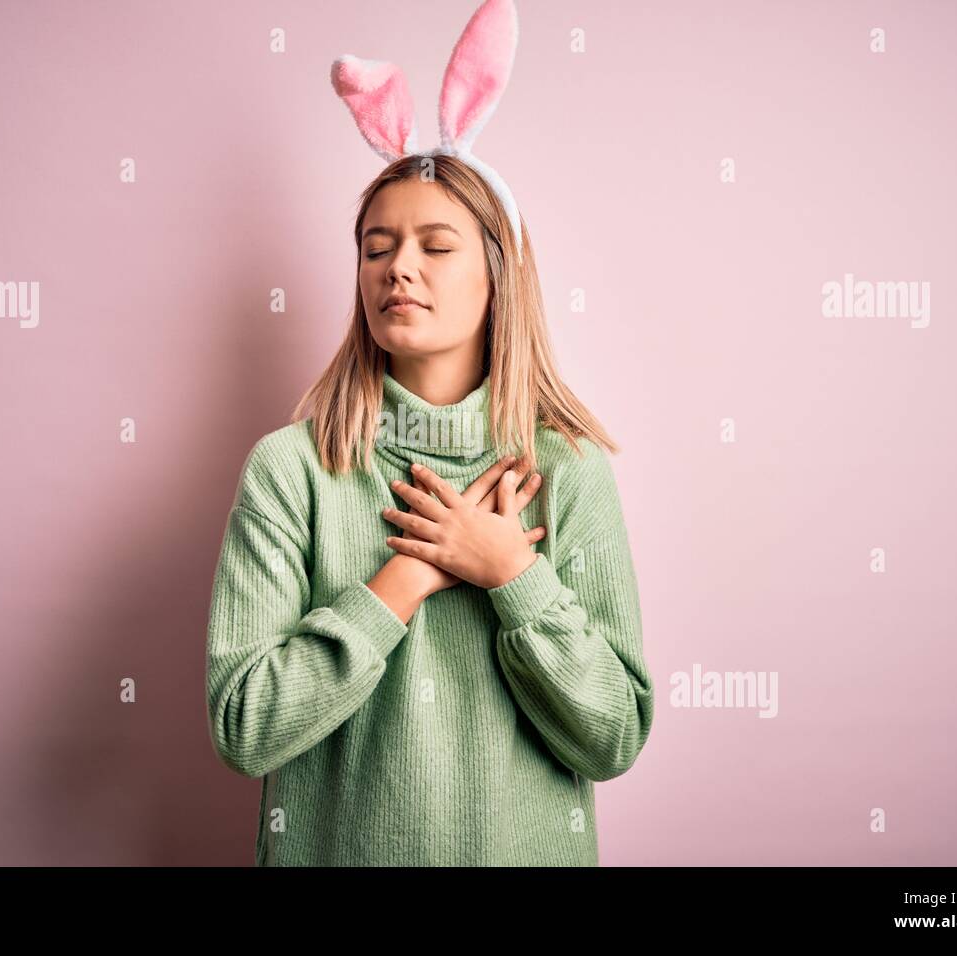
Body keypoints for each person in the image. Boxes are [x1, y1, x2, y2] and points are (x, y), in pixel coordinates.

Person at [204, 152, 654, 865]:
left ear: (499, 273)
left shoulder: (567, 470)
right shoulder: (289, 470)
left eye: (436, 246)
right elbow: (245, 728)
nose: (397, 268)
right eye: (376, 249)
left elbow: (614, 736)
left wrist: (514, 574)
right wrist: (403, 581)